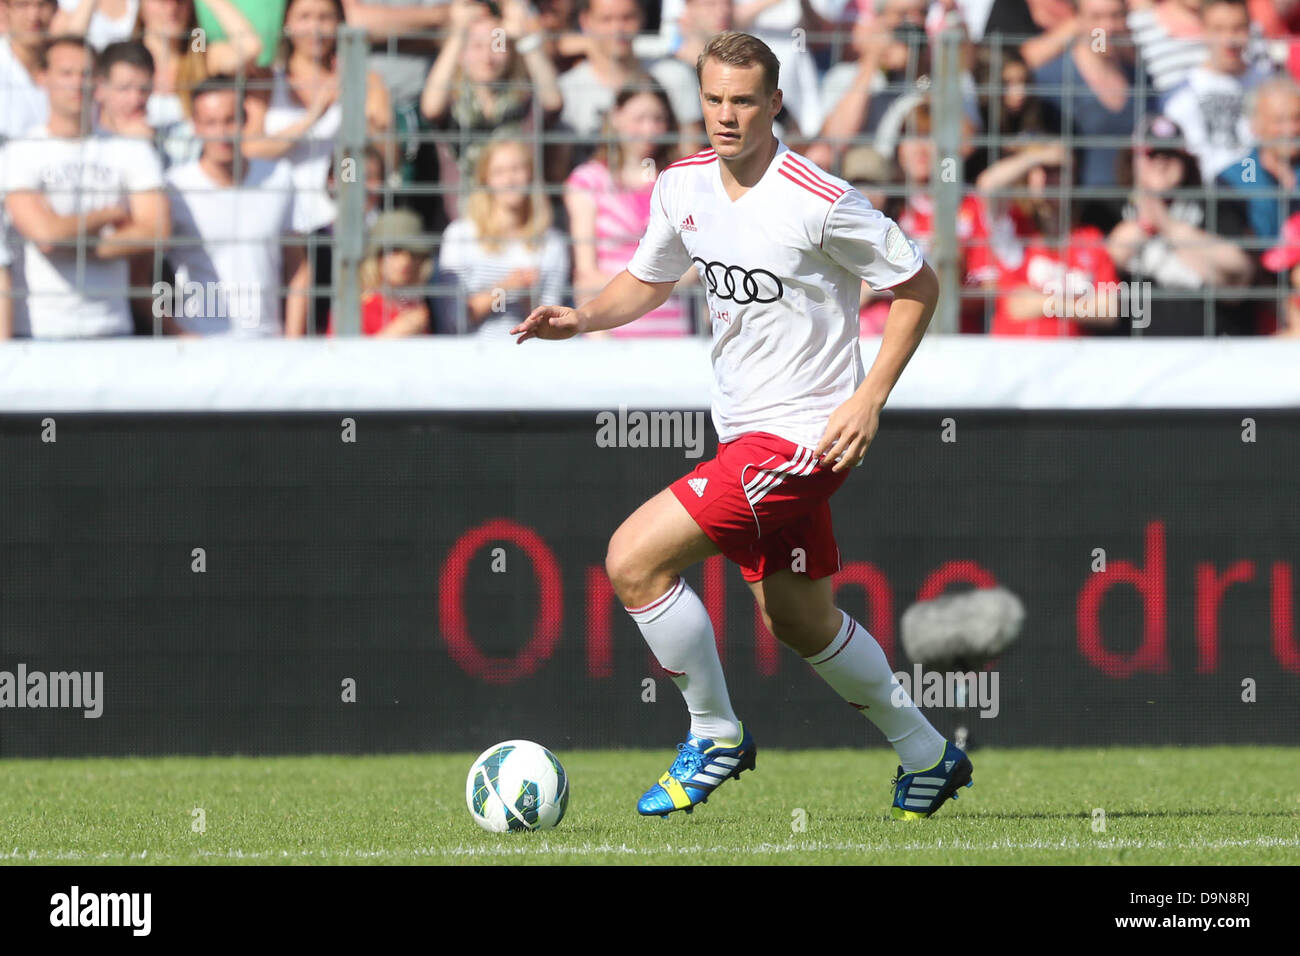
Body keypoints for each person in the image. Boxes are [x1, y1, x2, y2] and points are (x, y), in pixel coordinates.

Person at [511, 31, 969, 822]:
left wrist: (870, 397)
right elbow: (648, 279)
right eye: (715, 99)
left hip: (804, 438)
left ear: (775, 103)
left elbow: (919, 284)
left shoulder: (818, 198)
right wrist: (583, 317)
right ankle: (929, 754)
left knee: (632, 560)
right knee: (798, 616)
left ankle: (715, 732)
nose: (727, 115)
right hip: (745, 432)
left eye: (744, 101)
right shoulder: (682, 186)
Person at [3, 36, 170, 338]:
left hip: (112, 328)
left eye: (86, 73)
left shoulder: (131, 150)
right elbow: (45, 235)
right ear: (43, 78)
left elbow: (157, 229)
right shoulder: (20, 152)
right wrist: (106, 216)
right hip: (39, 332)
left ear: (100, 82)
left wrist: (70, 237)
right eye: (66, 73)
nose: (77, 83)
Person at [163, 79, 307, 336]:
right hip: (200, 343)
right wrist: (178, 334)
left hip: (266, 342)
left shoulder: (280, 178)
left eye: (230, 120)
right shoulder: (175, 188)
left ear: (244, 120)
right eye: (211, 122)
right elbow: (143, 273)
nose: (222, 133)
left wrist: (292, 339)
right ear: (195, 126)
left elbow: (297, 266)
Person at [242, 0, 391, 235]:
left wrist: (356, 99)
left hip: (342, 225)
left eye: (325, 18)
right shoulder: (267, 80)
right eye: (304, 17)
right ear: (287, 23)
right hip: (277, 219)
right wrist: (311, 119)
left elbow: (389, 156)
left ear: (340, 23)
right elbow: (249, 150)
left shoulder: (367, 80)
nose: (315, 27)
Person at [564, 83, 696, 337]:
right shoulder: (589, 181)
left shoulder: (678, 181)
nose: (649, 129)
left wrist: (631, 284)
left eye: (658, 119)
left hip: (674, 335)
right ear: (616, 118)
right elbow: (586, 276)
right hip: (612, 334)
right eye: (639, 119)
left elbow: (693, 270)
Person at [1106, 114, 1252, 334]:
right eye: (1152, 154)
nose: (1162, 162)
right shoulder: (1110, 206)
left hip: (1209, 340)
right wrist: (1145, 224)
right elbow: (1101, 264)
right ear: (1133, 160)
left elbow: (1238, 272)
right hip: (1132, 349)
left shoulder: (1212, 205)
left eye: (1171, 154)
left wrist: (1168, 226)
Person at [419, 0, 564, 222]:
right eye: (476, 46)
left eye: (497, 45)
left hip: (521, 226)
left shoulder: (523, 101)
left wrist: (525, 37)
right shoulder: (452, 103)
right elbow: (430, 106)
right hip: (463, 227)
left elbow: (553, 101)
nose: (487, 58)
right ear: (460, 52)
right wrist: (458, 32)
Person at [436, 138, 569, 335]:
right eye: (499, 172)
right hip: (470, 352)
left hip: (531, 354)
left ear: (530, 175)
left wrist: (529, 299)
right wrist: (505, 290)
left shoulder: (552, 244)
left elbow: (553, 327)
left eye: (516, 169)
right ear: (485, 179)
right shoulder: (460, 235)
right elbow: (453, 319)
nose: (510, 180)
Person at [557, 0, 703, 159]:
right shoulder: (567, 89)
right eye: (606, 19)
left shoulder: (675, 76)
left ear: (642, 17)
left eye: (627, 18)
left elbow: (692, 158)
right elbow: (559, 166)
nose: (617, 28)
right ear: (585, 21)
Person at [132, 0, 263, 167]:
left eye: (180, 2)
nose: (172, 9)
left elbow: (251, 47)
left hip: (193, 183)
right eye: (162, 2)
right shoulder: (123, 61)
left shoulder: (201, 57)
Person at [1161, 0, 1271, 181]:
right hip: (1208, 199)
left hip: (1260, 194)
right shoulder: (1180, 97)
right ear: (1203, 30)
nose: (1230, 39)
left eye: (1238, 28)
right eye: (1219, 29)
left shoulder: (1269, 86)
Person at [328, 208, 433, 335]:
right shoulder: (354, 309)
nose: (405, 261)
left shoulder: (418, 308)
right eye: (395, 251)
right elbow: (336, 353)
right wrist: (395, 333)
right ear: (376, 257)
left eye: (414, 253)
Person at [0, 0, 56, 141]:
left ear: (55, 8)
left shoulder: (72, 70)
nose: (33, 16)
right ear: (5, 9)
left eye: (42, 5)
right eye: (22, 5)